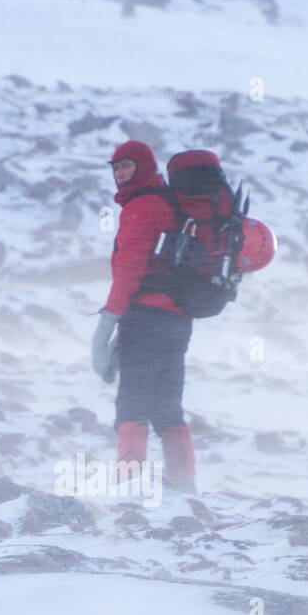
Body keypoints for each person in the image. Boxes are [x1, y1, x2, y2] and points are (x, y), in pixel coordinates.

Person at [91, 140, 197, 493]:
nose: (120, 173)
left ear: (145, 167)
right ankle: (185, 487)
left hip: (146, 317)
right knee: (168, 405)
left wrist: (107, 322)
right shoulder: (172, 204)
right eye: (116, 167)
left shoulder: (141, 206)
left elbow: (130, 268)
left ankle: (129, 486)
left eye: (127, 166)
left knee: (132, 403)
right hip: (179, 318)